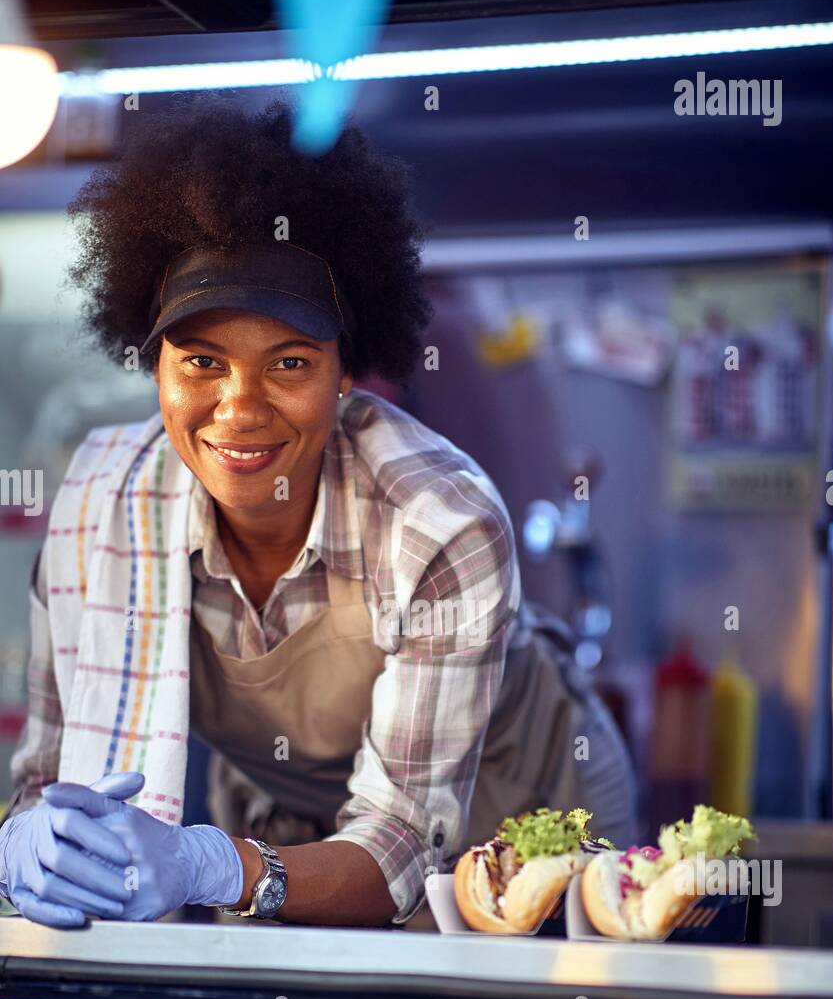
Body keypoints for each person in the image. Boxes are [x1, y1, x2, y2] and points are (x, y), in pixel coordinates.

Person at [0, 95, 634, 931]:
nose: (239, 408)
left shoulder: (439, 520)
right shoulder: (102, 507)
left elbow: (404, 838)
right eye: (200, 361)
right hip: (281, 821)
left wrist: (205, 861)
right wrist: (24, 845)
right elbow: (48, 783)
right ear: (154, 366)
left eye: (289, 361)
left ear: (346, 373)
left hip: (516, 807)